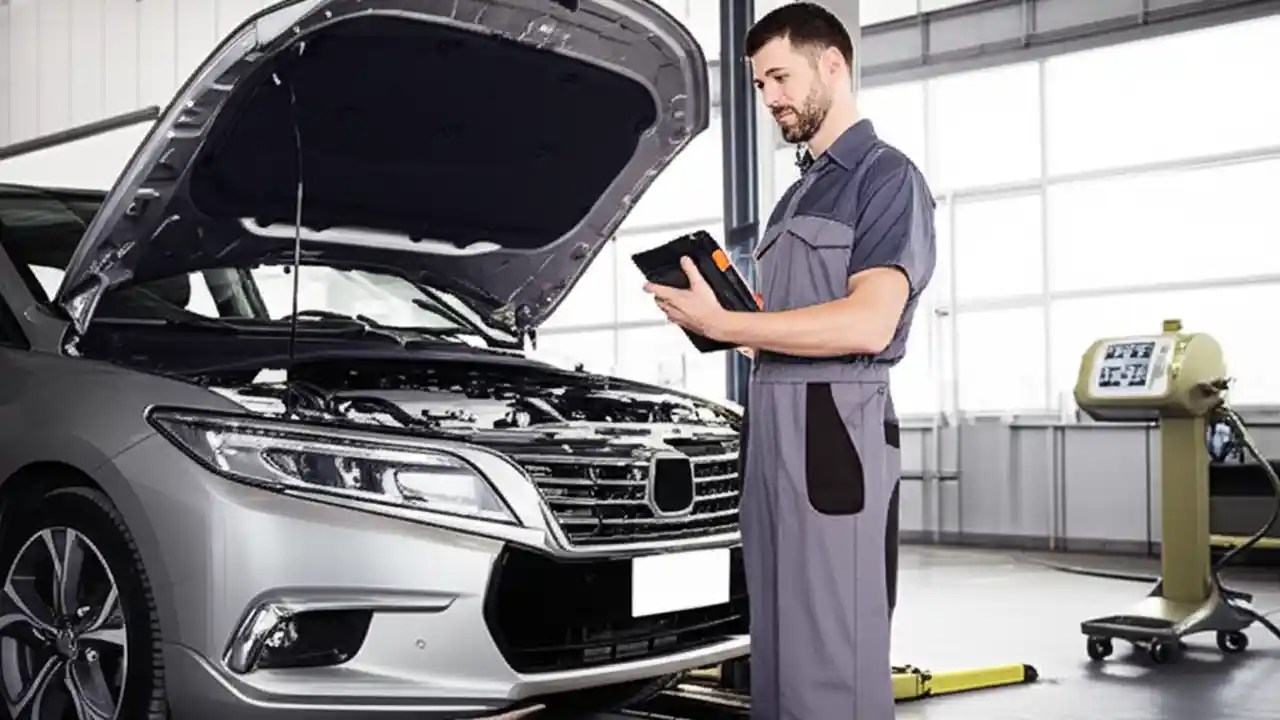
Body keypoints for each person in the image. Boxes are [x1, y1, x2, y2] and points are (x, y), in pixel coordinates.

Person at [643, 3, 936, 718]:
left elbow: (869, 322)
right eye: (758, 84)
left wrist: (733, 321)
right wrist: (717, 320)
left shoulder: (885, 178)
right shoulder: (795, 196)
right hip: (770, 420)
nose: (769, 97)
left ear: (832, 65)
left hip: (835, 425)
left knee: (833, 648)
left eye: (779, 77)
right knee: (775, 648)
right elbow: (775, 329)